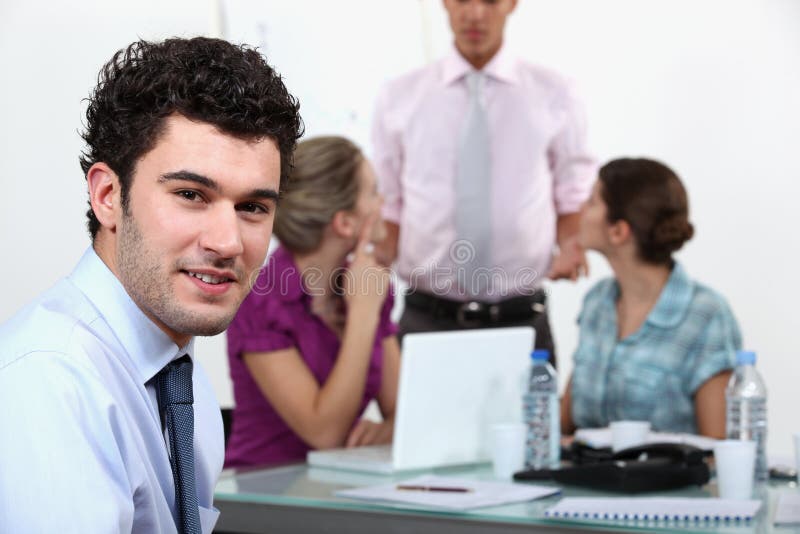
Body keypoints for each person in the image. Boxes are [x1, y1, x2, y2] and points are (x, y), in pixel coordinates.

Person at [0, 37, 302, 533]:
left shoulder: (180, 380)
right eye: (191, 194)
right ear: (107, 196)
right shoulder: (52, 380)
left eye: (252, 207)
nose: (228, 242)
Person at [371, 0, 596, 362]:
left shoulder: (556, 93)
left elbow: (572, 193)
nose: (475, 13)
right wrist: (371, 260)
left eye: (490, 0)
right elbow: (390, 202)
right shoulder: (399, 96)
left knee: (531, 421)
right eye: (462, 0)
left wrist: (572, 243)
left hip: (521, 320)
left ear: (511, 4)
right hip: (427, 320)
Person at [224, 136, 399, 467]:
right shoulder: (258, 302)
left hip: (342, 489)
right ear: (345, 223)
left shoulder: (368, 286)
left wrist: (391, 429)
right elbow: (325, 434)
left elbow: (406, 413)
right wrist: (362, 314)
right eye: (374, 192)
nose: (383, 202)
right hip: (264, 496)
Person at [560, 158, 741, 438]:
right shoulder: (597, 303)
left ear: (619, 231)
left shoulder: (705, 314)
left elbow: (718, 453)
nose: (580, 210)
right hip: (584, 479)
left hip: (668, 482)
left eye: (592, 202)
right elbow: (562, 426)